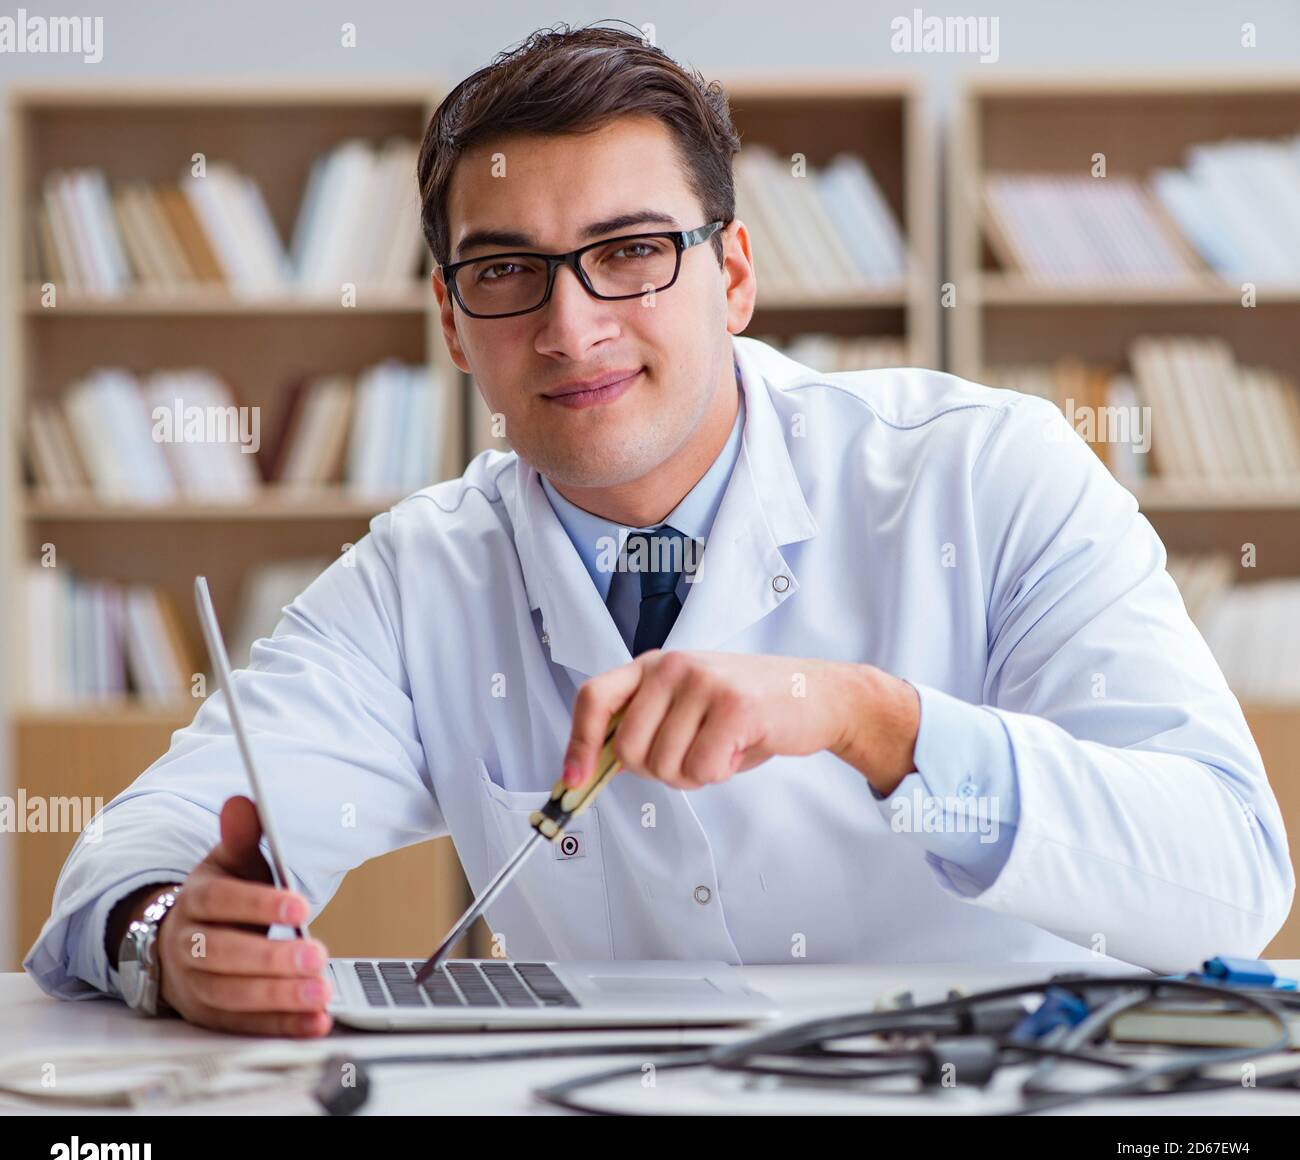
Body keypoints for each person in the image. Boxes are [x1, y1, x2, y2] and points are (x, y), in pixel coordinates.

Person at [26, 23, 1293, 1037]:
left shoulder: (986, 475)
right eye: (506, 270)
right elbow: (135, 850)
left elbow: (1230, 879)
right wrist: (167, 937)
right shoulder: (421, 574)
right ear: (453, 321)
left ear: (733, 274)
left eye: (629, 252)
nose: (569, 328)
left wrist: (875, 722)